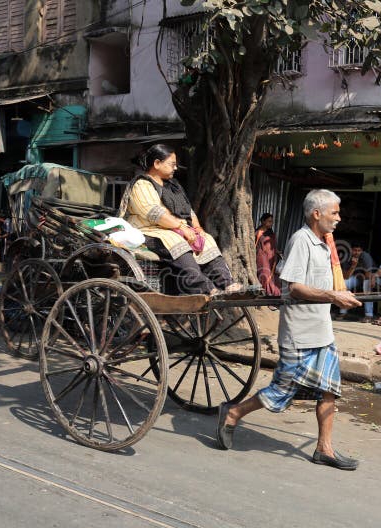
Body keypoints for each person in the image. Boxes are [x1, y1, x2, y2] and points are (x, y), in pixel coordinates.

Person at [216, 189, 362, 470]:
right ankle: (233, 412)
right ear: (316, 214)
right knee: (281, 390)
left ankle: (325, 448)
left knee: (329, 390)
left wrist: (337, 295)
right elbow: (293, 287)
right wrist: (334, 296)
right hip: (299, 333)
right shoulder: (301, 241)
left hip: (322, 332)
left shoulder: (324, 244)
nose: (338, 218)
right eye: (334, 213)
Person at [120, 144, 241, 295]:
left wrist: (197, 228)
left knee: (206, 239)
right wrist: (182, 228)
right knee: (175, 240)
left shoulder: (173, 186)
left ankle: (227, 283)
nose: (175, 168)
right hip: (149, 232)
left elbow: (187, 210)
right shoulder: (141, 184)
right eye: (172, 164)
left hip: (175, 229)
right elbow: (154, 213)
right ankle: (205, 288)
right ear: (157, 163)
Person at [335, 242, 375, 321]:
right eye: (355, 250)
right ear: (351, 250)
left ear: (362, 251)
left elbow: (368, 275)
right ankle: (343, 311)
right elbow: (346, 276)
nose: (357, 253)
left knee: (366, 285)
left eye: (359, 250)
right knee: (344, 284)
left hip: (370, 277)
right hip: (357, 277)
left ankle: (369, 314)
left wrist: (362, 276)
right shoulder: (346, 257)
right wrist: (353, 266)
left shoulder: (365, 256)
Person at [255, 213, 281, 296]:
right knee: (264, 273)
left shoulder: (271, 233)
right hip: (261, 257)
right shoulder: (257, 232)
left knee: (271, 275)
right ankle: (266, 292)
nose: (271, 223)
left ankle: (271, 293)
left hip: (271, 258)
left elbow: (273, 245)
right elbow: (255, 245)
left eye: (272, 222)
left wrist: (277, 252)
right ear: (263, 221)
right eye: (269, 221)